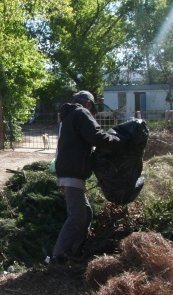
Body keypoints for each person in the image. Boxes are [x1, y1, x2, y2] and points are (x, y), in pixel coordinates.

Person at [50, 91, 126, 275]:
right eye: (92, 108)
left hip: (66, 171)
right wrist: (121, 142)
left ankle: (75, 252)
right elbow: (96, 136)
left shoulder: (67, 117)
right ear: (89, 104)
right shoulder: (81, 113)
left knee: (86, 212)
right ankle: (57, 259)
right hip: (72, 172)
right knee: (77, 216)